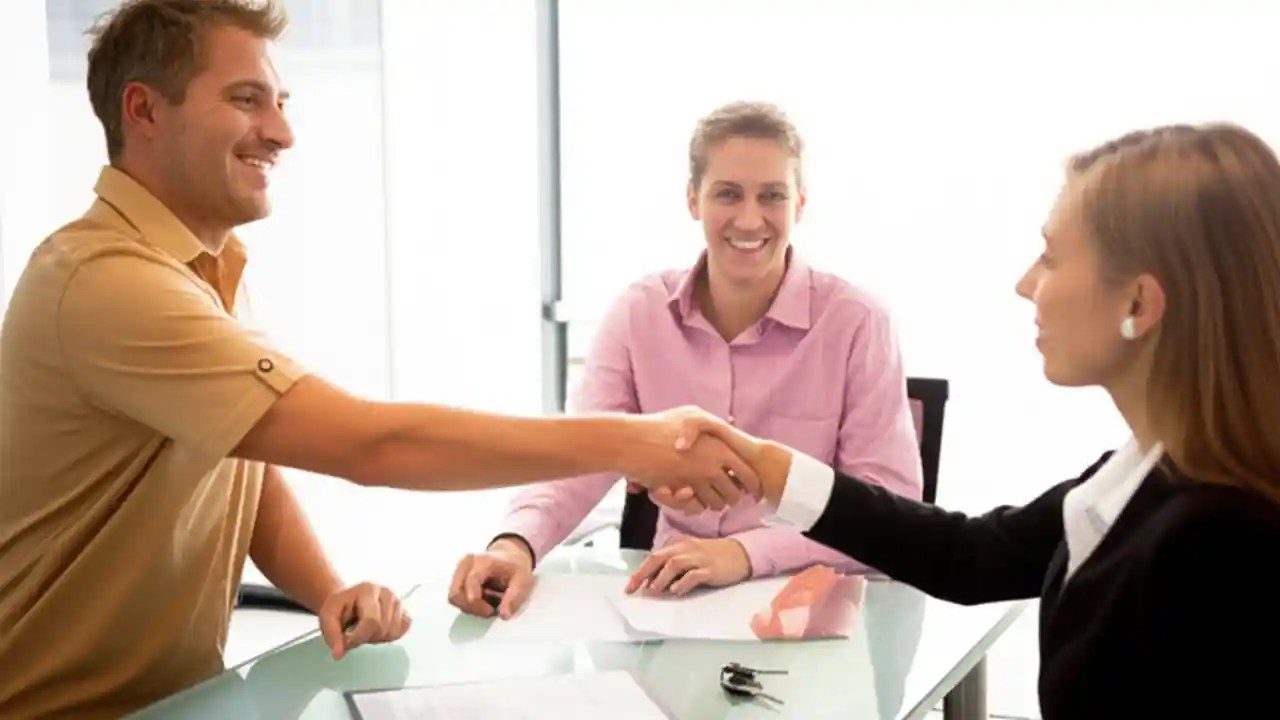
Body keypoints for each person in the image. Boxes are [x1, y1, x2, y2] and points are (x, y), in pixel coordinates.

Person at [0, 2, 754, 718]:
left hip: (176, 701)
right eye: (246, 99)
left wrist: (325, 590)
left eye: (282, 100)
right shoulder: (108, 283)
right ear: (144, 111)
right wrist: (636, 440)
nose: (282, 131)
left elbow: (241, 466)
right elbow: (372, 442)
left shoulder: (205, 268)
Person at [660, 123, 1280, 718]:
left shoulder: (1220, 543)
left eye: (1051, 257)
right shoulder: (1154, 472)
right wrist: (770, 468)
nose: (1025, 284)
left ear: (1139, 303)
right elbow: (972, 555)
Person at [448, 101, 923, 620]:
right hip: (670, 606)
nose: (749, 218)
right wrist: (514, 544)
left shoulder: (857, 323)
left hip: (812, 610)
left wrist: (742, 554)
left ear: (800, 204)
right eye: (727, 194)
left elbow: (888, 510)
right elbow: (579, 458)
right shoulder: (639, 313)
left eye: (772, 196)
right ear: (693, 199)